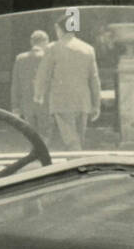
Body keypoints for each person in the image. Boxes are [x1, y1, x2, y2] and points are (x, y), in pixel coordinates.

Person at [33, 15, 101, 151]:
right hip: (83, 102)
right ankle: (76, 164)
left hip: (61, 102)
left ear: (59, 29)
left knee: (71, 140)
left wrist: (38, 94)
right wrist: (96, 104)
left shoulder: (53, 48)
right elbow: (94, 79)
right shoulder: (88, 49)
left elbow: (43, 74)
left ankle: (76, 166)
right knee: (78, 139)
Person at [11, 30, 51, 139]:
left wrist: (15, 105)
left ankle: (35, 152)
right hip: (45, 101)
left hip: (27, 103)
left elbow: (16, 84)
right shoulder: (48, 57)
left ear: (31, 42)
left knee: (31, 134)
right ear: (45, 41)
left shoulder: (20, 58)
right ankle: (43, 153)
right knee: (45, 132)